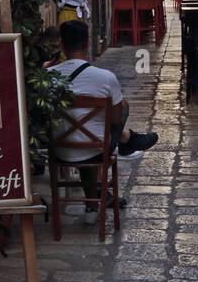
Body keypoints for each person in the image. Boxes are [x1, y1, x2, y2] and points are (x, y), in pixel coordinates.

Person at [50, 19, 159, 221]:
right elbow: (116, 118)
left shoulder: (47, 76)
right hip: (95, 151)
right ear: (87, 44)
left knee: (89, 126)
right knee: (121, 108)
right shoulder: (105, 77)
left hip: (59, 150)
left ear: (61, 45)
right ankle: (126, 141)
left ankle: (94, 197)